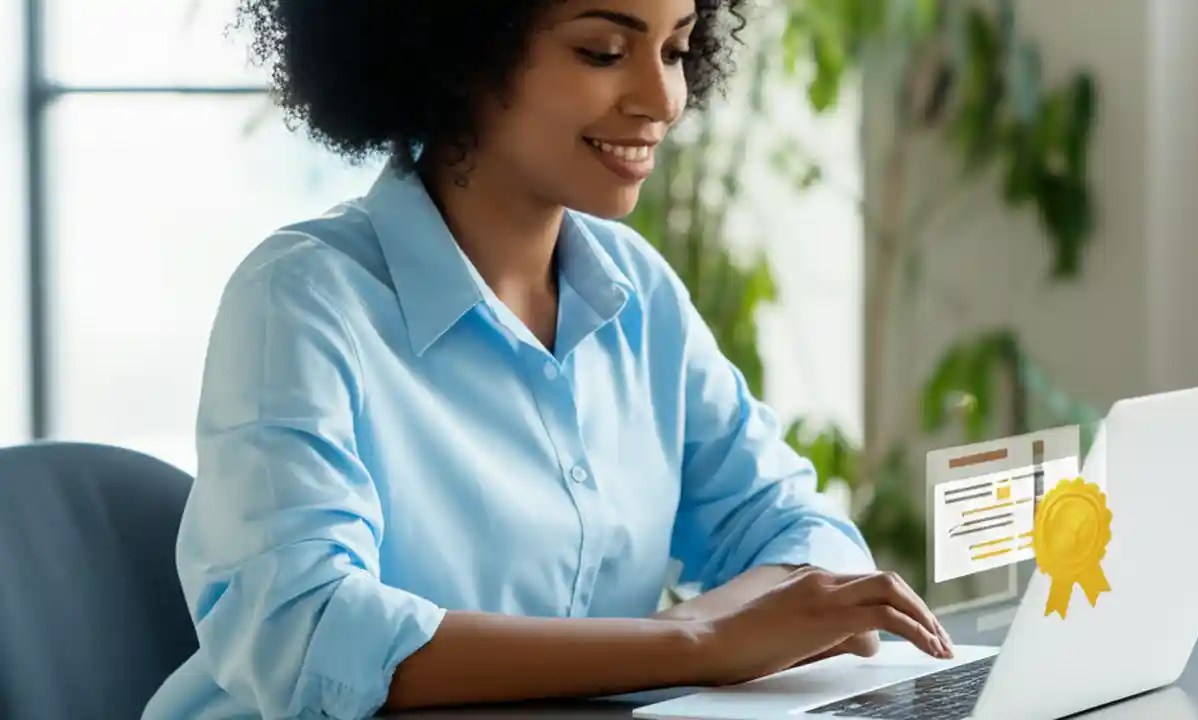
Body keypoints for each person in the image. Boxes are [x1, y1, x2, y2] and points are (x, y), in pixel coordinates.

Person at [142, 1, 952, 718]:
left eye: (675, 49)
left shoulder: (638, 293)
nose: (662, 100)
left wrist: (692, 637)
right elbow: (308, 632)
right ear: (461, 53)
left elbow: (804, 534)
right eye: (602, 51)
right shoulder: (304, 299)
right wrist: (698, 643)